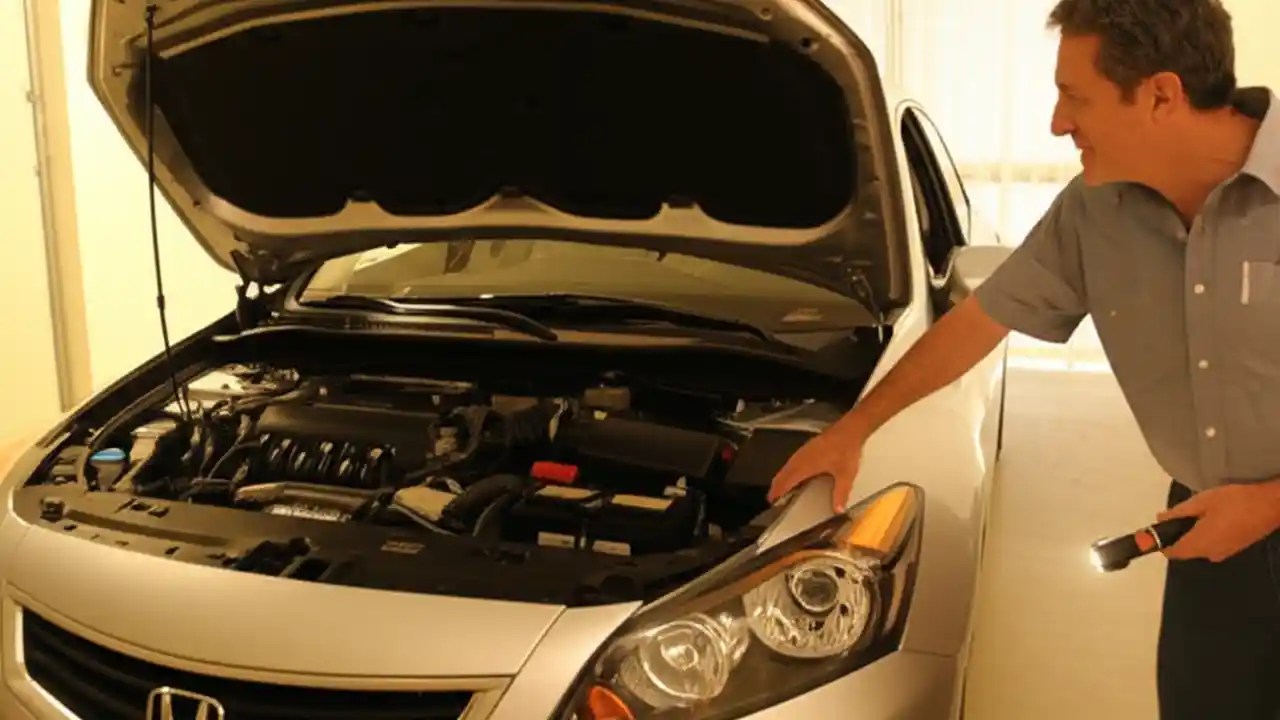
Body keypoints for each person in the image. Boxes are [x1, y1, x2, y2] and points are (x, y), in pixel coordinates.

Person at [767, 0, 1280, 717]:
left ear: (1162, 95)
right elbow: (977, 321)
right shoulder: (1093, 213)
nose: (1057, 123)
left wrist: (1270, 503)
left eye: (1076, 96)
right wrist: (852, 429)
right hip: (1206, 524)